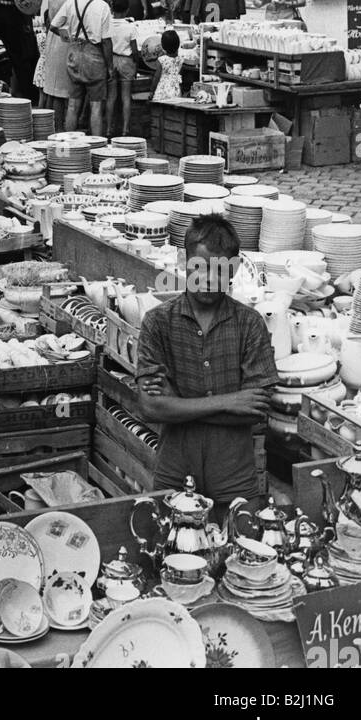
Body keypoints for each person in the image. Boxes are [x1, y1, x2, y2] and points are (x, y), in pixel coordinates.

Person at [137, 216, 276, 509]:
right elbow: (150, 407)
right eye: (199, 267)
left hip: (234, 476)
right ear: (183, 261)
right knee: (170, 549)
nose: (209, 279)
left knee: (240, 548)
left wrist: (176, 404)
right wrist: (229, 401)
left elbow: (257, 410)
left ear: (234, 271)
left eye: (219, 270)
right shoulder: (158, 322)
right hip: (174, 472)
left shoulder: (250, 325)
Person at [52, 0, 112, 136]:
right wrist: (109, 67)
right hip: (94, 56)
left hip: (73, 53)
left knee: (73, 104)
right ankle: (96, 146)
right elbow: (106, 41)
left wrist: (67, 37)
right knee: (96, 105)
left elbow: (54, 25)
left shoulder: (71, 2)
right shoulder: (102, 6)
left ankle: (70, 143)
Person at [39, 0, 82, 130]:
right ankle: (58, 125)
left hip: (53, 38)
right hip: (64, 41)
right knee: (62, 90)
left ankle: (52, 124)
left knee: (52, 87)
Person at [107, 0, 139, 135]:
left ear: (112, 9)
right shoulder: (130, 26)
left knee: (111, 97)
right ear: (127, 10)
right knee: (126, 97)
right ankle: (125, 129)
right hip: (126, 60)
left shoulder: (107, 24)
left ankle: (108, 128)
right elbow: (134, 49)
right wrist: (136, 63)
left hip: (111, 59)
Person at [149, 29, 183, 102]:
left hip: (162, 91)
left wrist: (152, 91)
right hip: (175, 90)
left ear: (163, 46)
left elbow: (156, 77)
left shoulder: (161, 60)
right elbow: (179, 76)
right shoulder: (180, 60)